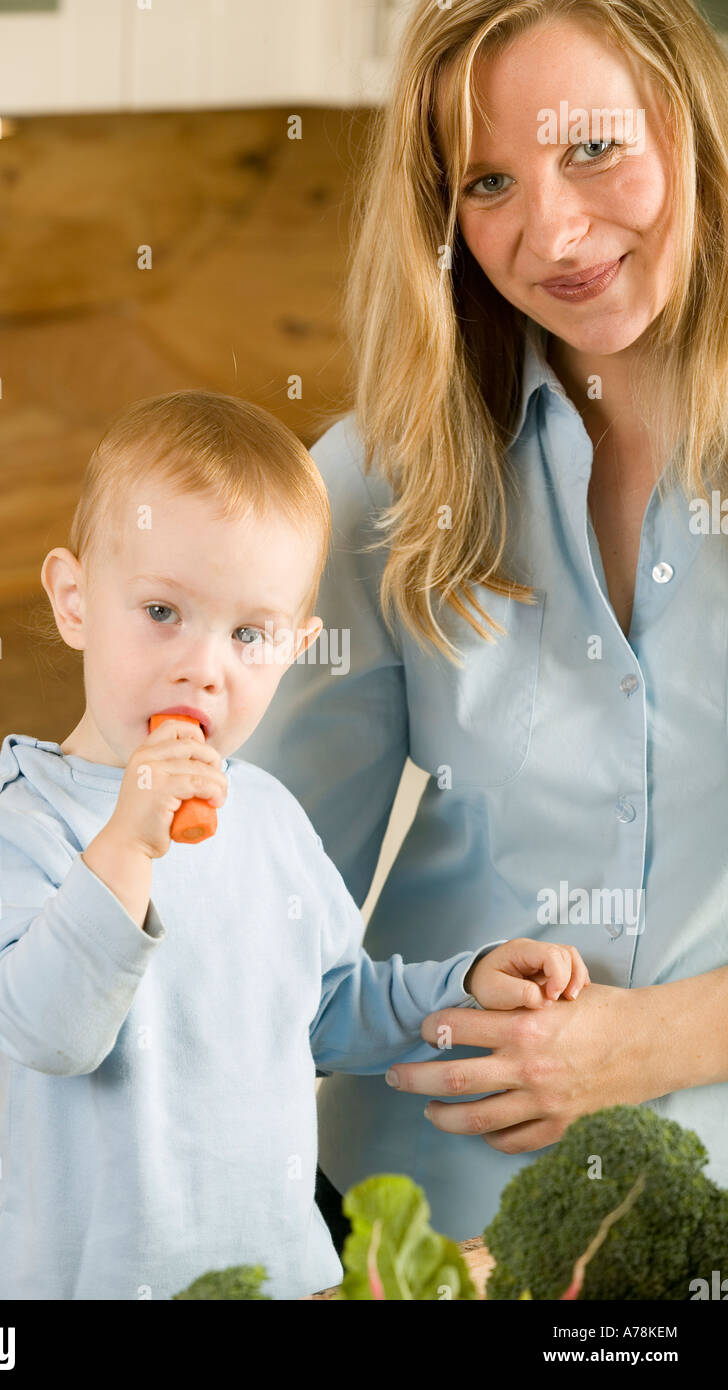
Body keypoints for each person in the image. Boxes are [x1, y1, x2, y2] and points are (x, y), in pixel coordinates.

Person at [238, 0, 728, 1248]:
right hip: (424, 1224)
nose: (552, 230)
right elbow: (256, 912)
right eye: (490, 179)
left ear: (691, 125)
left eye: (594, 150)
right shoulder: (378, 484)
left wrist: (652, 1041)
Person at [0, 389, 589, 1301]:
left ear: (294, 649)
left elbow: (325, 1014)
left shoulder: (270, 815)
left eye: (249, 634)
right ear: (75, 599)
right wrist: (129, 839)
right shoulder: (10, 820)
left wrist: (463, 984)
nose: (205, 666)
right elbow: (51, 1035)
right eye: (163, 612)